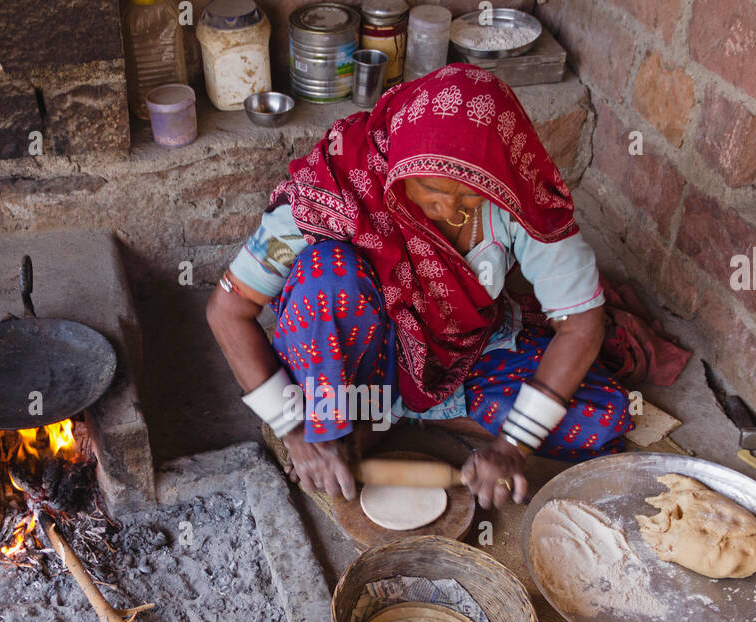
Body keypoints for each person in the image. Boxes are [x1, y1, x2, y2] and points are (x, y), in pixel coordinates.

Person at [207, 63, 632, 509]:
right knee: (326, 275)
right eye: (429, 188)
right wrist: (294, 432)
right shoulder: (343, 178)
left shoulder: (520, 194)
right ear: (397, 162)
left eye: (469, 195)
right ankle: (345, 427)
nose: (450, 208)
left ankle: (387, 420)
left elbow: (582, 325)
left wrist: (511, 447)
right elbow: (226, 311)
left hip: (461, 358)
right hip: (359, 360)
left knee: (602, 414)